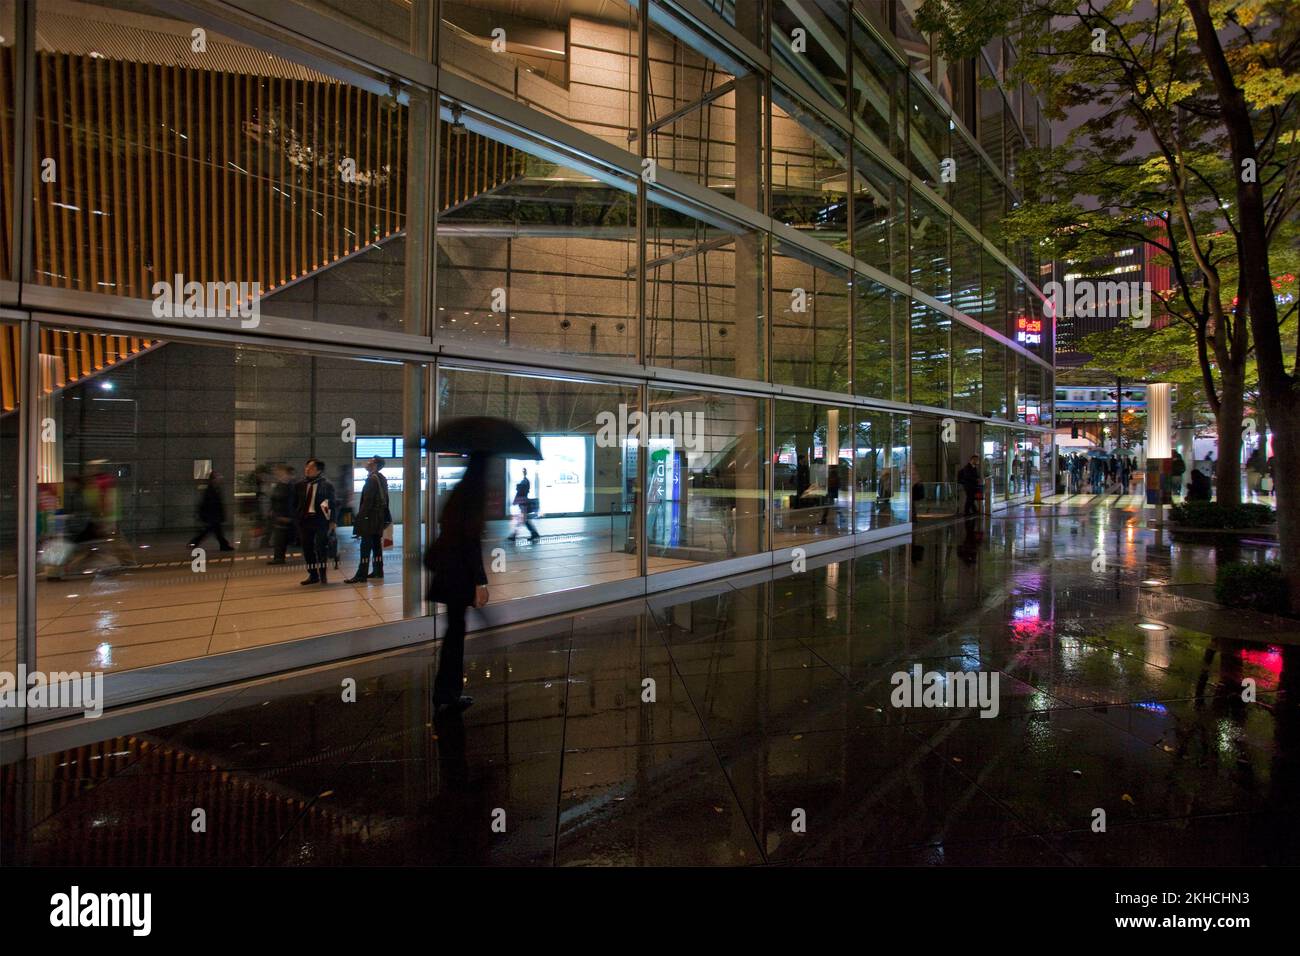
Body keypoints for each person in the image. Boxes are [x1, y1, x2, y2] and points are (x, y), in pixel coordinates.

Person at [425, 453, 489, 716]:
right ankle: (447, 694)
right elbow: (471, 543)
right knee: (455, 636)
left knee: (453, 632)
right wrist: (480, 581)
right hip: (459, 574)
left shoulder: (458, 493)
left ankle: (446, 692)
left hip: (449, 572)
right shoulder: (472, 496)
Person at [345, 456, 389, 583]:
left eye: (370, 461)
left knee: (365, 547)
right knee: (376, 546)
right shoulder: (381, 478)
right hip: (378, 518)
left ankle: (361, 575)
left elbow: (367, 502)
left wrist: (360, 518)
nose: (367, 463)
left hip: (369, 518)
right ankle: (378, 571)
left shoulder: (371, 480)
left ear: (375, 465)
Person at [295, 458, 336, 585]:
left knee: (320, 548)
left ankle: (323, 575)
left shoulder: (326, 485)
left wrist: (332, 520)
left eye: (311, 467)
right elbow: (295, 502)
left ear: (319, 470)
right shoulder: (300, 485)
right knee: (307, 548)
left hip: (320, 521)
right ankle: (313, 575)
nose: (307, 469)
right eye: (306, 467)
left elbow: (331, 504)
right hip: (305, 520)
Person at [190, 472, 234, 551]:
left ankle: (194, 542)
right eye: (217, 477)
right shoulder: (210, 490)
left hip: (214, 515)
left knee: (214, 531)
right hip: (212, 515)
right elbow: (206, 503)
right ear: (213, 479)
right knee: (212, 531)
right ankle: (194, 542)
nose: (220, 478)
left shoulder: (216, 488)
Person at [267, 464, 296, 564]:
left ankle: (279, 558)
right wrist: (272, 510)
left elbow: (291, 502)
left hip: (284, 516)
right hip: (279, 515)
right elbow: (274, 499)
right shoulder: (280, 485)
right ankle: (278, 557)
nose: (277, 474)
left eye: (279, 472)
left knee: (281, 537)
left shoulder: (289, 486)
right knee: (279, 537)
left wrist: (288, 516)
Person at [506, 467, 540, 543]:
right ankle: (534, 534)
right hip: (523, 503)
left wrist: (518, 488)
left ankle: (514, 535)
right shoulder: (525, 481)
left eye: (524, 471)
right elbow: (521, 490)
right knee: (524, 520)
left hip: (523, 503)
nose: (523, 472)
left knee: (522, 520)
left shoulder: (525, 481)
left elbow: (520, 490)